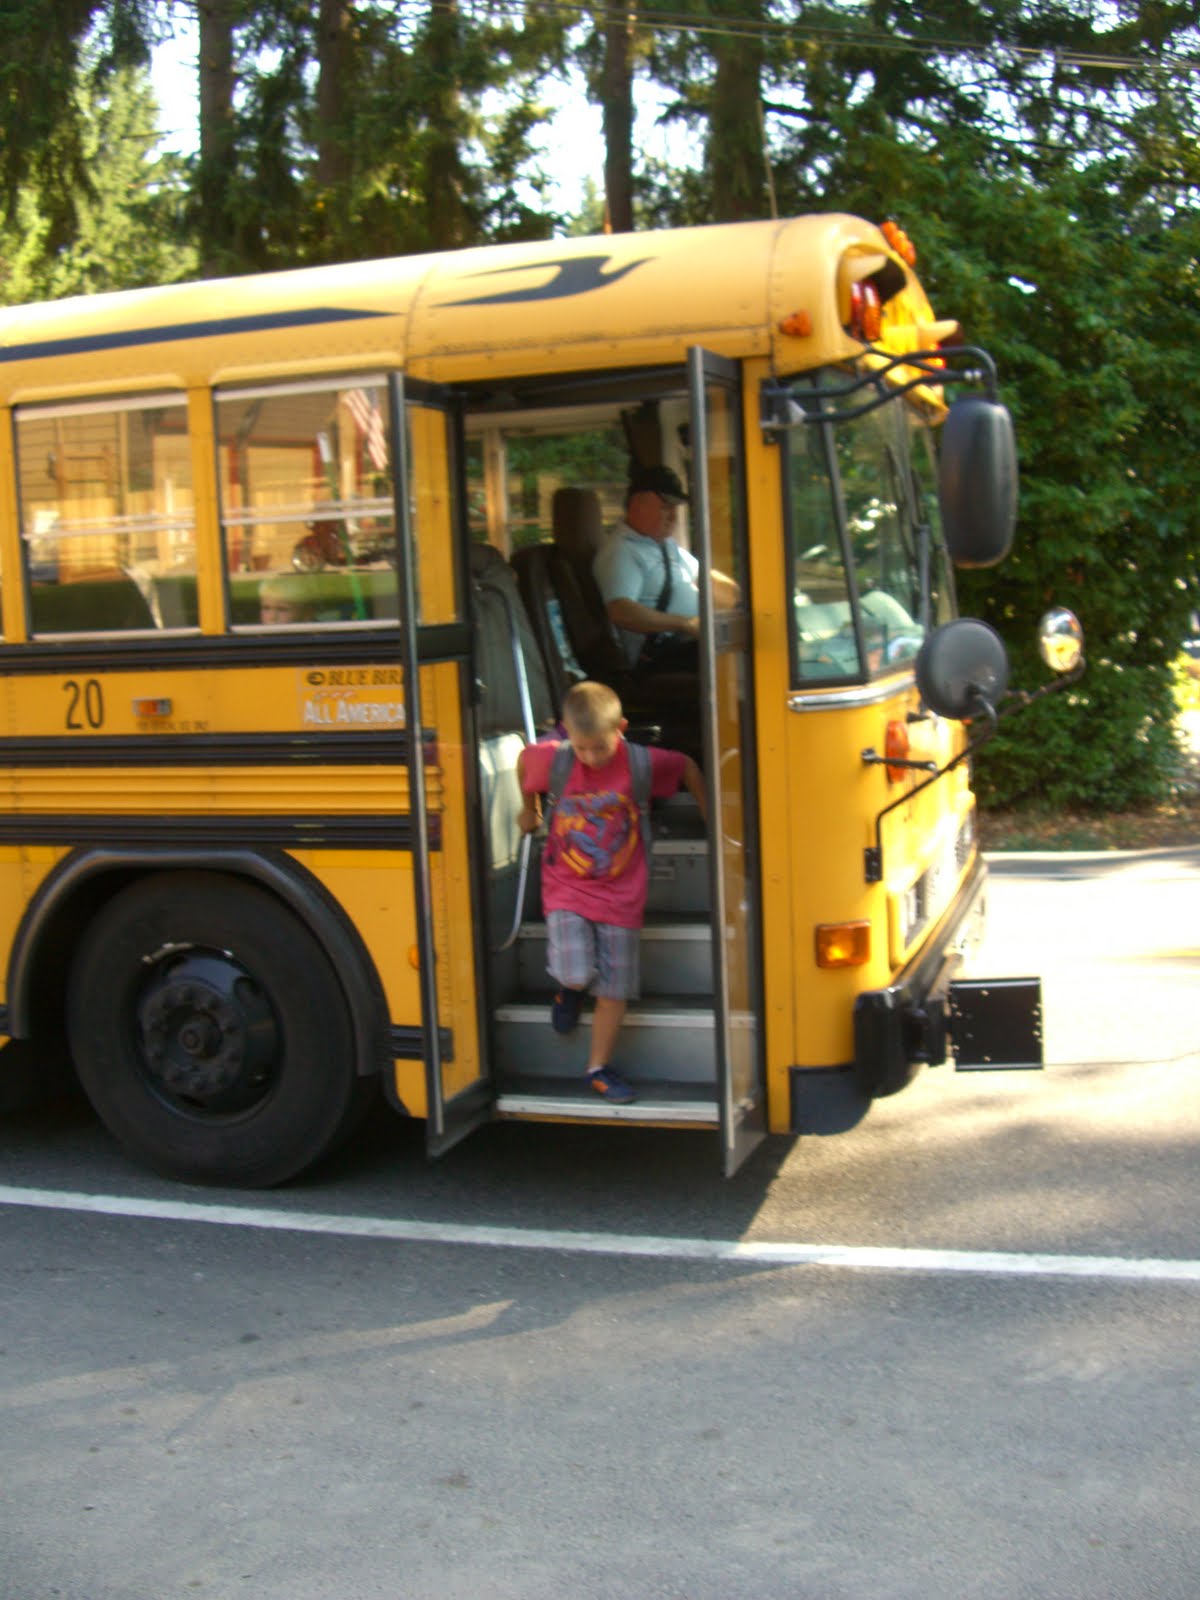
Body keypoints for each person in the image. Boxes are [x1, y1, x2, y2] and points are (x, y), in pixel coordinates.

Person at [516, 679, 706, 1104]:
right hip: (566, 885)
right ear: (566, 733)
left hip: (623, 893)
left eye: (599, 747)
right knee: (577, 971)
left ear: (620, 727)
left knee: (615, 989)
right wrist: (529, 810)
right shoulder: (555, 759)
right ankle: (569, 987)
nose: (590, 757)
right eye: (580, 747)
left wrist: (717, 821)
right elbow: (524, 762)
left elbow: (689, 767)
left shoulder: (642, 763)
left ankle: (597, 1068)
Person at [592, 464, 702, 675]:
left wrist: (739, 598)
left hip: (684, 644)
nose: (673, 517)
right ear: (637, 504)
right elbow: (621, 611)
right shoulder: (622, 551)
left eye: (675, 508)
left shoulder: (664, 545)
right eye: (665, 507)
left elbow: (704, 579)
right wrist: (686, 624)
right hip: (659, 657)